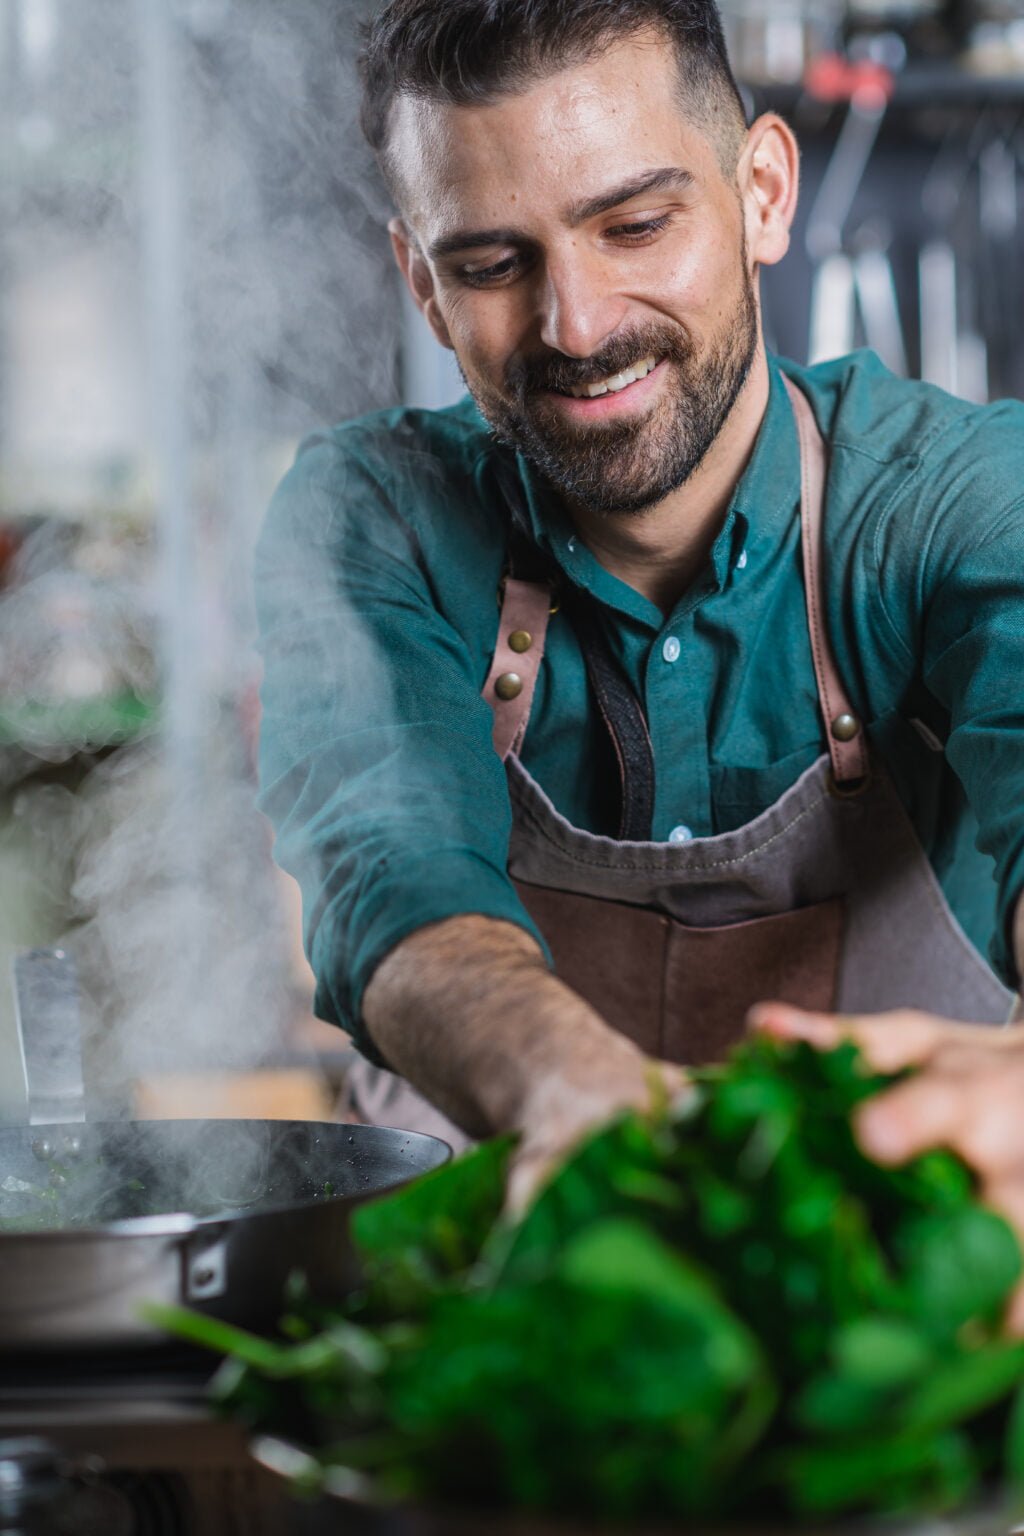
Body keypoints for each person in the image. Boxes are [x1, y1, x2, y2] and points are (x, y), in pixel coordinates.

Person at [255, 0, 1024, 1291]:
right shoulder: (372, 517)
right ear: (423, 286)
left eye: (635, 225)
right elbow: (394, 883)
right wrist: (571, 1093)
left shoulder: (957, 499)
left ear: (762, 193)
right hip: (484, 1335)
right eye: (491, 264)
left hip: (888, 1328)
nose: (575, 322)